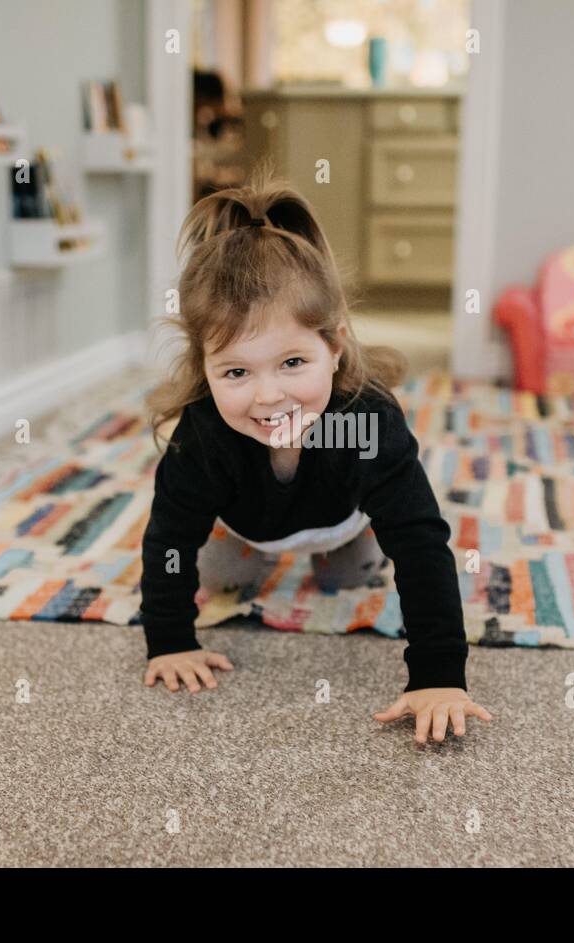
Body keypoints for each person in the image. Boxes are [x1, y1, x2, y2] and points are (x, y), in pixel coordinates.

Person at [139, 166, 492, 744]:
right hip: (249, 526)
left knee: (348, 575)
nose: (268, 395)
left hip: (340, 521)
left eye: (293, 363)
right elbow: (168, 540)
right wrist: (170, 640)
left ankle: (353, 543)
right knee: (219, 573)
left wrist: (438, 675)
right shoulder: (204, 434)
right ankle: (247, 547)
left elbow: (421, 540)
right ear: (202, 367)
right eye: (235, 371)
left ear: (333, 346)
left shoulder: (364, 422)